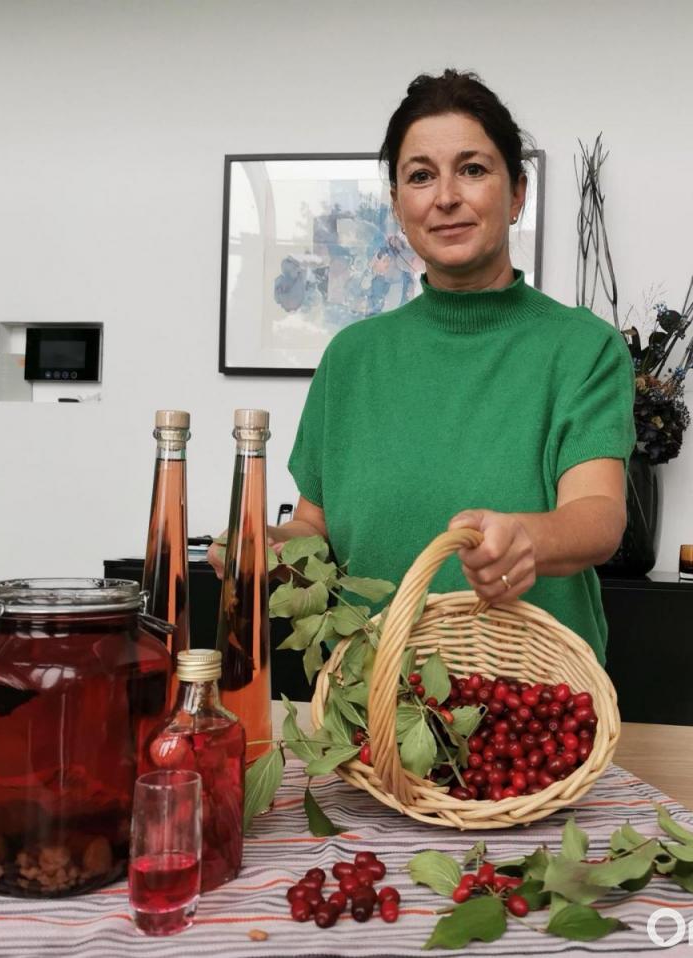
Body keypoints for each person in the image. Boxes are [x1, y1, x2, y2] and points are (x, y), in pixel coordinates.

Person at [212, 69, 635, 664]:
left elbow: (597, 517)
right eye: (420, 176)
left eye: (473, 169)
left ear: (517, 193)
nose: (445, 197)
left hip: (534, 714)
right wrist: (271, 546)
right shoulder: (351, 358)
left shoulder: (582, 348)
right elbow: (316, 527)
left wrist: (527, 538)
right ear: (397, 205)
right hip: (373, 706)